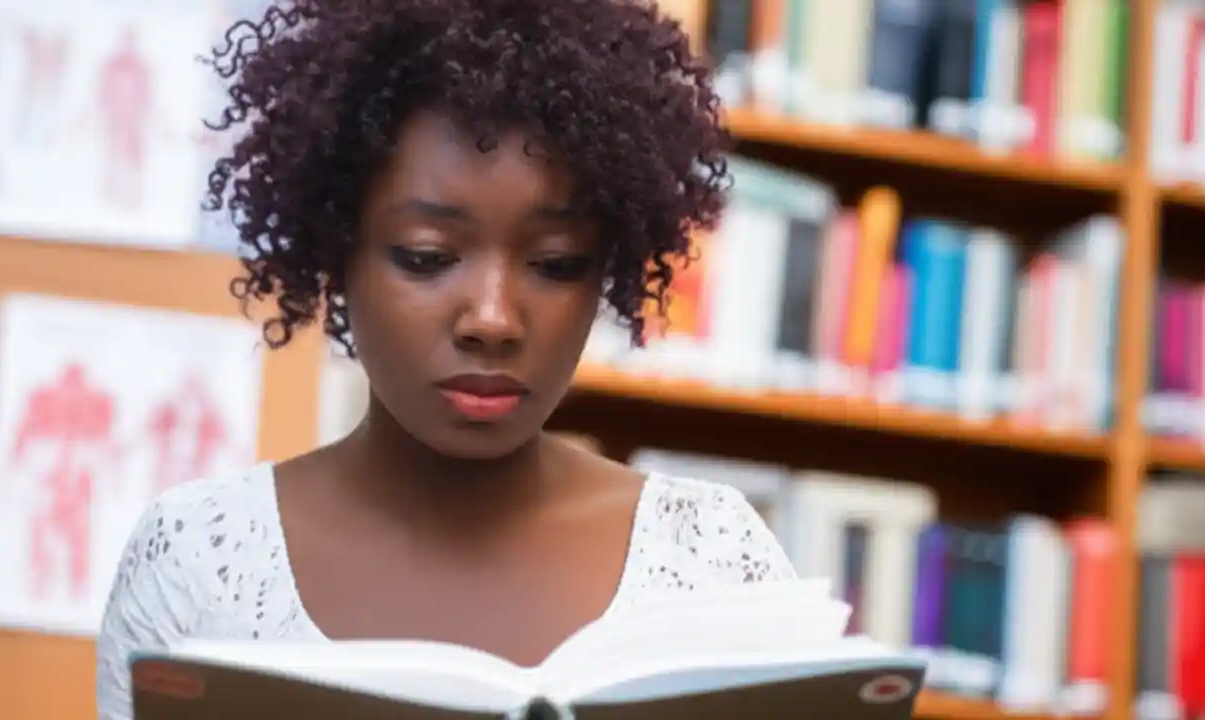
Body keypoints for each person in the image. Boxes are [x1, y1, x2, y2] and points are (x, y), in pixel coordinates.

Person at [95, 1, 797, 718]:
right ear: (336, 251)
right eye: (426, 257)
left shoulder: (710, 560)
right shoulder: (196, 566)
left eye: (556, 263)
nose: (492, 319)